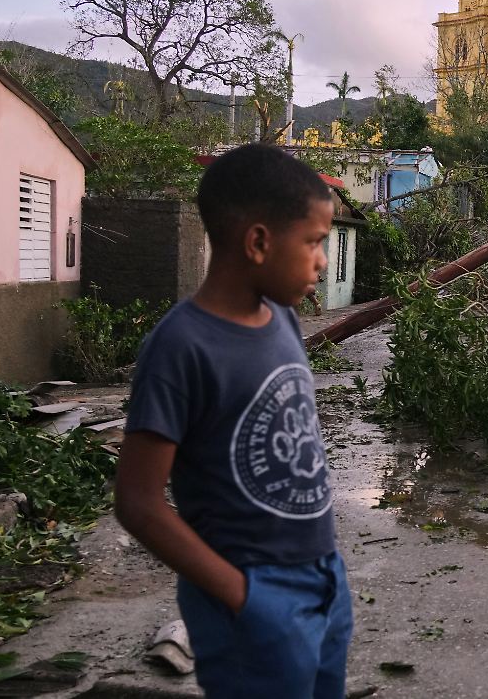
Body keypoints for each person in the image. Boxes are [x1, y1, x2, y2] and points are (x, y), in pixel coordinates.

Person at [115, 145, 351, 698]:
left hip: (322, 577)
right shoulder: (180, 347)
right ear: (259, 242)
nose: (322, 261)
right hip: (249, 594)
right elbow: (138, 502)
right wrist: (243, 596)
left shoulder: (284, 321)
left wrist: (327, 572)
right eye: (315, 242)